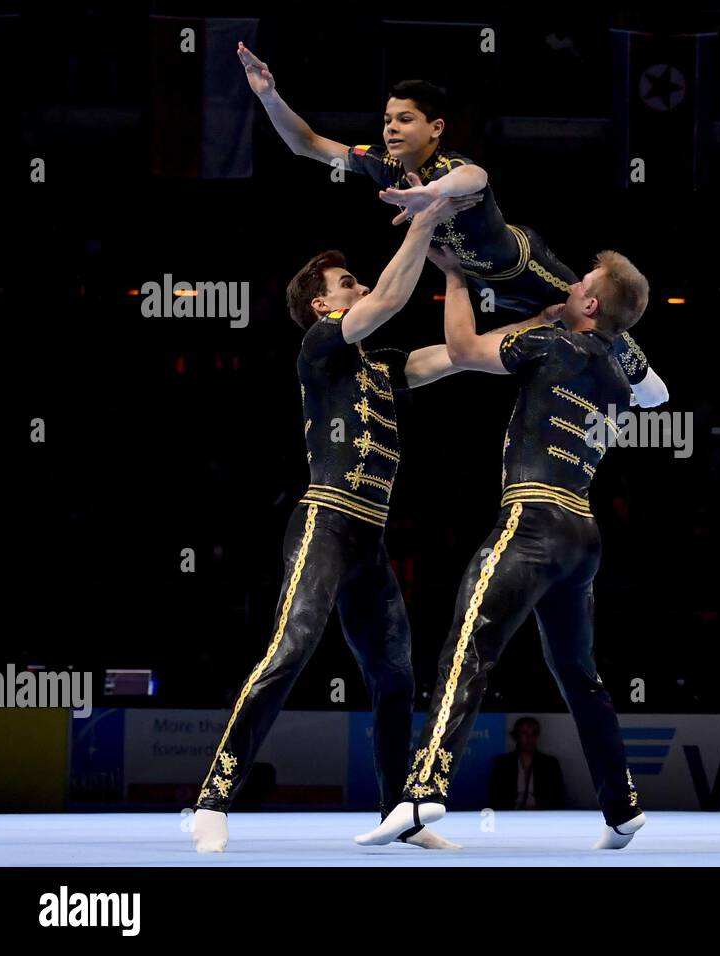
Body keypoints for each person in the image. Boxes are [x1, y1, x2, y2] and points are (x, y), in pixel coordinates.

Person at [191, 190, 532, 852]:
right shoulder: (319, 347)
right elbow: (390, 301)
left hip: (368, 542)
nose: (362, 286)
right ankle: (212, 798)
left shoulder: (384, 367)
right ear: (324, 305)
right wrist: (428, 220)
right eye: (347, 283)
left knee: (396, 677)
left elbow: (461, 354)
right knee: (291, 648)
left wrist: (465, 279)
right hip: (323, 522)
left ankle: (395, 814)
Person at [355, 245, 651, 850]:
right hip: (583, 536)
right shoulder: (618, 378)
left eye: (579, 286)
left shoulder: (552, 345)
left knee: (467, 648)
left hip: (533, 523)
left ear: (591, 305)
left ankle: (422, 793)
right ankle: (622, 808)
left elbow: (463, 349)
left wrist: (457, 275)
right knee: (579, 674)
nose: (568, 288)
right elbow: (649, 388)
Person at [235, 42, 668, 408]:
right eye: (387, 120)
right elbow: (306, 144)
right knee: (515, 340)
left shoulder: (451, 167)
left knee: (594, 316)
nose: (391, 129)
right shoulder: (381, 166)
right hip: (479, 282)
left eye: (405, 120)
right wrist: (268, 95)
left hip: (522, 266)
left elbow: (476, 177)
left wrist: (434, 193)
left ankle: (648, 388)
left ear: (435, 128)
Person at [488, 717, 567, 811]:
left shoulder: (549, 764)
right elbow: (496, 797)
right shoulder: (503, 763)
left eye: (534, 734)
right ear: (516, 736)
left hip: (542, 817)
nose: (529, 738)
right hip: (511, 816)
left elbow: (557, 797)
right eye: (524, 733)